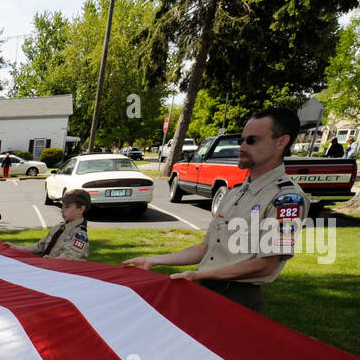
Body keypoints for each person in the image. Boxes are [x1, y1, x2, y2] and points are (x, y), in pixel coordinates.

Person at [123, 106, 306, 313]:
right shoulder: (236, 192)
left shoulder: (287, 199)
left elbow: (267, 264)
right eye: (241, 140)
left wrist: (201, 275)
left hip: (237, 297)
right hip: (208, 288)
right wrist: (153, 261)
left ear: (281, 142)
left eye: (252, 140)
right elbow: (206, 249)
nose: (242, 147)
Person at [15, 188, 91, 259]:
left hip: (57, 270)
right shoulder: (59, 227)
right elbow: (39, 247)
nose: (62, 210)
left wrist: (51, 260)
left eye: (67, 207)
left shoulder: (79, 236)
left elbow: (69, 259)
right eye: (62, 206)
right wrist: (16, 248)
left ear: (81, 209)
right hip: (46, 266)